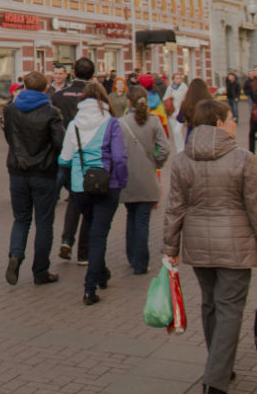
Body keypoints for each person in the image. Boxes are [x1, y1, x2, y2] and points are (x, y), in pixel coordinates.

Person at [163, 98, 257, 394]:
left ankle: (221, 365)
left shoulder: (182, 160)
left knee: (210, 304)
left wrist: (170, 248)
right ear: (218, 123)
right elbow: (254, 208)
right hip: (236, 245)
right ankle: (216, 380)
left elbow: (175, 207)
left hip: (198, 244)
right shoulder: (243, 159)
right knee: (229, 308)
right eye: (231, 119)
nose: (235, 123)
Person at [58, 81, 128, 304]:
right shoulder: (111, 123)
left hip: (81, 188)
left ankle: (102, 272)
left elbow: (65, 159)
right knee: (99, 235)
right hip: (108, 185)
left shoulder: (73, 125)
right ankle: (90, 288)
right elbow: (119, 158)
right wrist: (121, 180)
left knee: (93, 229)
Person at [2, 71, 65, 286]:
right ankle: (41, 271)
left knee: (21, 219)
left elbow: (9, 137)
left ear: (25, 87)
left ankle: (15, 255)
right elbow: (59, 143)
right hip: (44, 172)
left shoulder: (10, 110)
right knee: (44, 222)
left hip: (17, 171)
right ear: (45, 88)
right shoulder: (51, 111)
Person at [119, 85, 170, 275]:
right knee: (142, 221)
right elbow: (165, 148)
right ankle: (141, 263)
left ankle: (132, 257)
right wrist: (156, 163)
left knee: (131, 217)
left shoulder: (121, 122)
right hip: (148, 178)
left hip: (127, 178)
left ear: (128, 101)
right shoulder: (154, 122)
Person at [54, 55, 96, 263]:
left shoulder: (59, 95)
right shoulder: (94, 96)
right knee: (88, 202)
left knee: (74, 199)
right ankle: (84, 253)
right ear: (93, 75)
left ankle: (66, 240)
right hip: (90, 155)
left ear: (72, 73)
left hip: (65, 153)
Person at [178, 78, 211, 145]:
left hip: (191, 136)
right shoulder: (210, 102)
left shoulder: (187, 103)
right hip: (208, 136)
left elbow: (180, 119)